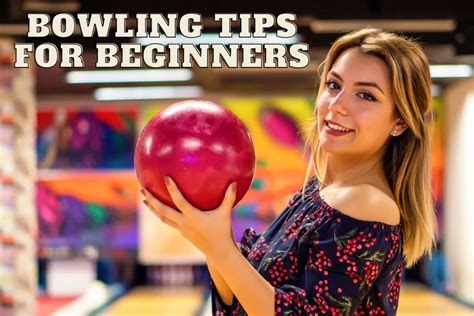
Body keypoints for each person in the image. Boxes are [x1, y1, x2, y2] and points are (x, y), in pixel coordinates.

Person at [141, 28, 437, 315]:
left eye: (366, 96)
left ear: (400, 122)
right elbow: (238, 303)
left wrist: (219, 247)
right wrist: (211, 240)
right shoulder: (318, 191)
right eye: (334, 85)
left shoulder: (366, 204)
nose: (336, 106)